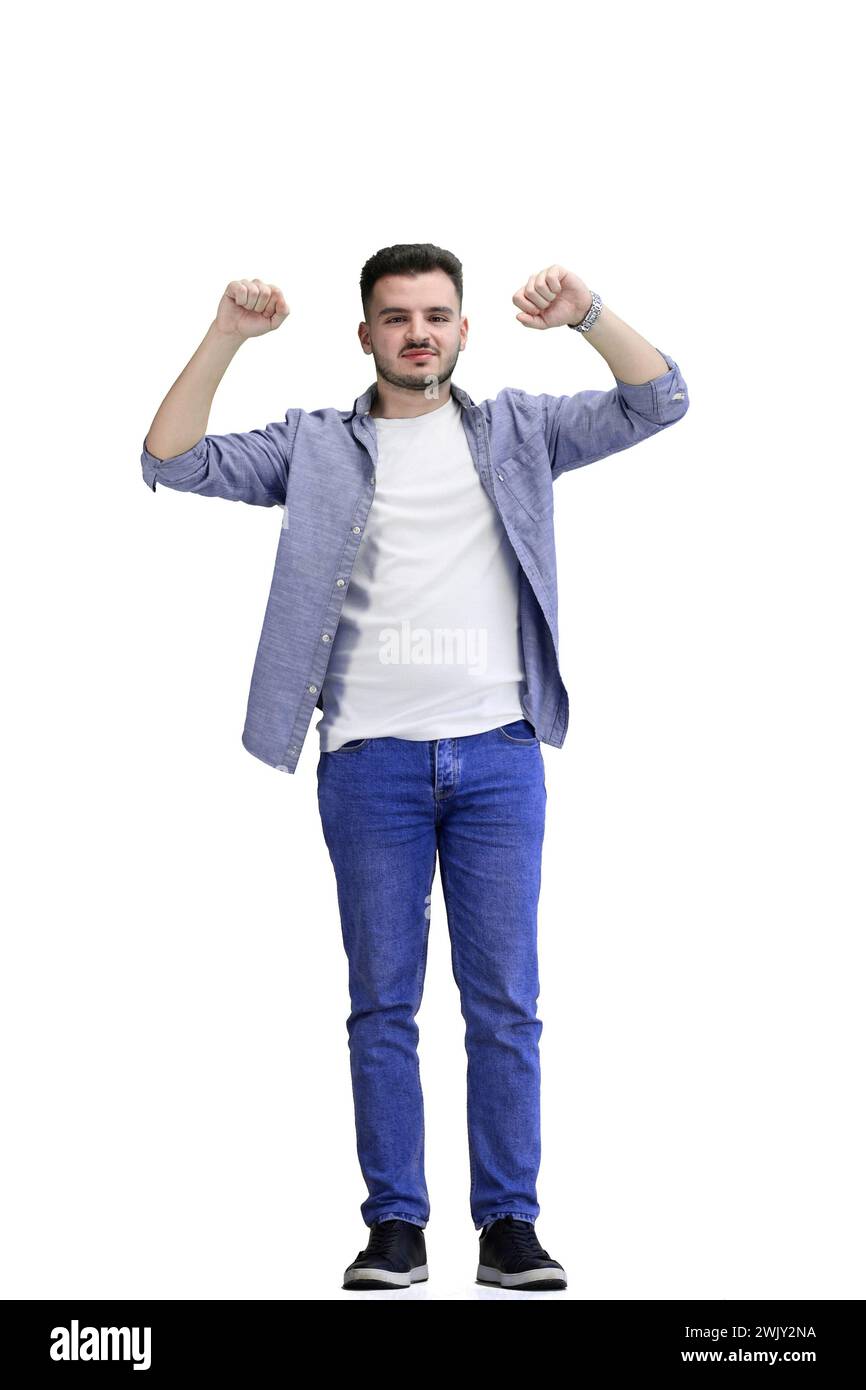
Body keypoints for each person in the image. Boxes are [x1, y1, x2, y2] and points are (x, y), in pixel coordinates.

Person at [141, 244, 690, 1292]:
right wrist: (224, 334)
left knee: (503, 1003)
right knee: (381, 1003)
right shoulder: (314, 446)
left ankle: (508, 1227)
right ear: (366, 335)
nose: (417, 332)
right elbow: (171, 457)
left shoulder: (521, 430)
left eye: (436, 314)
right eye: (396, 317)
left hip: (497, 756)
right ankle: (394, 1225)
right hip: (367, 767)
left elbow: (657, 399)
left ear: (463, 329)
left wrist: (588, 314)